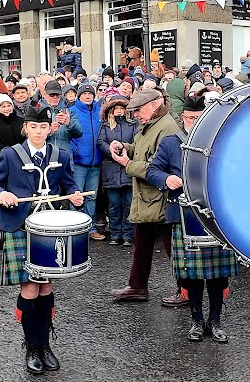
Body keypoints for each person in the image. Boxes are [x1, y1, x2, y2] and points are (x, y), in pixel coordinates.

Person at [0, 105, 83, 374]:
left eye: (44, 127)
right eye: (33, 127)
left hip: (47, 228)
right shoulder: (10, 155)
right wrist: (1, 195)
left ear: (51, 129)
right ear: (25, 128)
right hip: (19, 227)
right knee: (30, 288)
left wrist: (74, 194)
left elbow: (68, 183)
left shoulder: (58, 154)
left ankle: (46, 346)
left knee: (46, 288)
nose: (39, 132)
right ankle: (31, 348)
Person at [147, 89, 238, 342]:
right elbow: (152, 170)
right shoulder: (170, 143)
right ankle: (197, 321)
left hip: (216, 217)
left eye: (198, 117)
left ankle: (216, 321)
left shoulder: (220, 141)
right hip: (185, 217)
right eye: (188, 117)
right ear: (182, 117)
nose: (193, 121)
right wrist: (167, 178)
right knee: (192, 275)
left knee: (219, 276)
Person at [108, 88, 185, 305]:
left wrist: (128, 164)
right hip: (149, 197)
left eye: (138, 110)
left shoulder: (167, 128)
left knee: (173, 247)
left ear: (155, 104)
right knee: (142, 244)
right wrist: (125, 147)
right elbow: (144, 151)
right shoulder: (151, 125)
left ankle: (185, 290)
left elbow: (158, 166)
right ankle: (137, 286)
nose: (135, 115)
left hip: (161, 197)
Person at [98, 95, 136, 246]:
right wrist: (111, 151)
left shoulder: (132, 125)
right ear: (111, 111)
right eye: (116, 109)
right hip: (110, 169)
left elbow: (135, 142)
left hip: (127, 168)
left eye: (122, 108)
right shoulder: (105, 125)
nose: (119, 111)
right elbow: (101, 142)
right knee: (113, 204)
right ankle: (115, 234)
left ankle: (128, 234)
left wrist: (124, 149)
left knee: (128, 203)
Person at [68, 84, 105, 238]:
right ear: (79, 96)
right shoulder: (72, 111)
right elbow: (69, 134)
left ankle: (90, 228)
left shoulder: (99, 111)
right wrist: (75, 150)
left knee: (92, 196)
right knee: (76, 196)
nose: (88, 96)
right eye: (85, 94)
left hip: (96, 162)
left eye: (90, 93)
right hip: (78, 162)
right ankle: (74, 228)